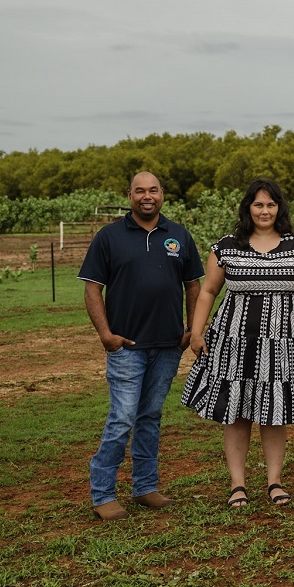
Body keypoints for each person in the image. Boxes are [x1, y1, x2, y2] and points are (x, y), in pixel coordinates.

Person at [181, 179, 294, 508]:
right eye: (258, 205)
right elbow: (208, 291)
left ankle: (274, 482)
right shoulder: (227, 246)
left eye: (271, 204)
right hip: (234, 340)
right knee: (236, 412)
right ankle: (238, 485)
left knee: (274, 412)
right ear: (248, 208)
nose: (265, 211)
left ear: (279, 208)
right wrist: (196, 331)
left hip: (283, 342)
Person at [78, 172, 203, 521]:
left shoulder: (178, 235)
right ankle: (103, 493)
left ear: (162, 194)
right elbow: (92, 289)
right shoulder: (109, 236)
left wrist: (191, 329)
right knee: (122, 418)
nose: (146, 196)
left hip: (167, 346)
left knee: (150, 416)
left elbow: (194, 286)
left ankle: (145, 487)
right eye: (139, 191)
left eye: (153, 190)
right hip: (126, 346)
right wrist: (106, 335)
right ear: (129, 195)